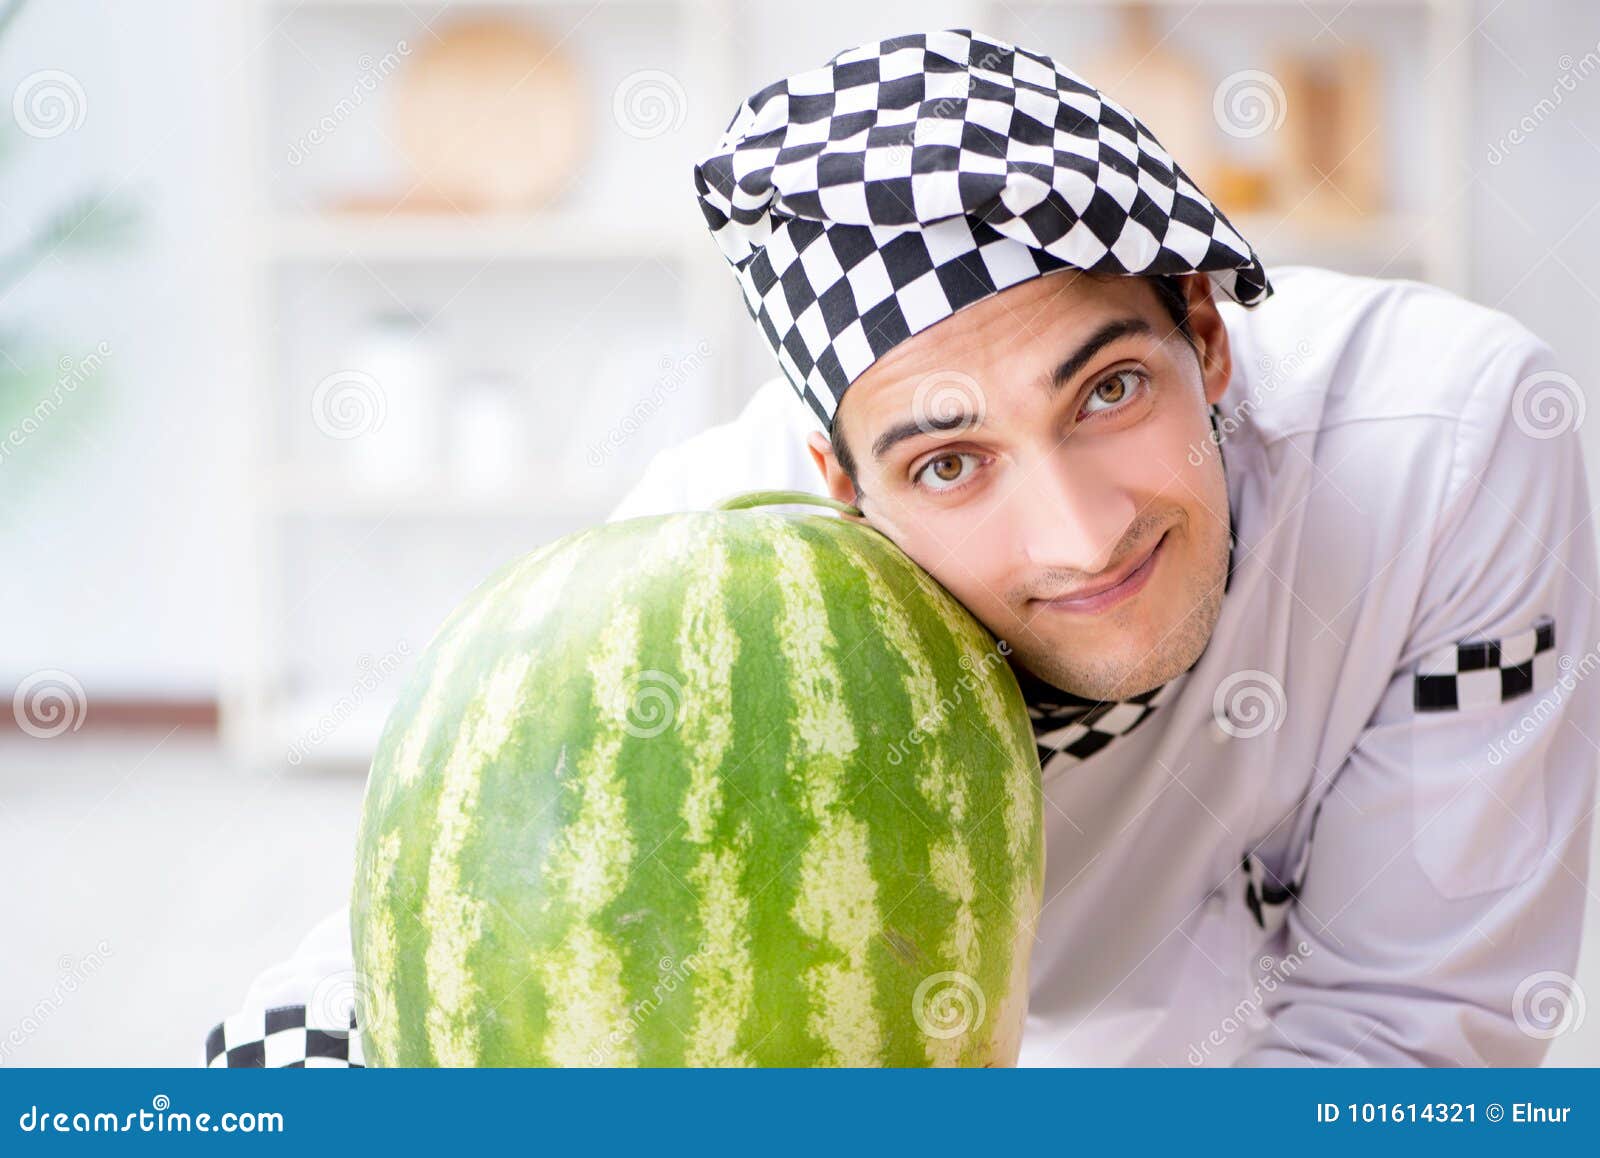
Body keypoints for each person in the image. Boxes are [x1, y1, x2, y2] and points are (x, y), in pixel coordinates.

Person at [206, 28, 1599, 1067]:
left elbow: (1413, 1040)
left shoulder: (1455, 441)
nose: (1082, 531)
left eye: (1107, 389)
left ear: (1207, 327)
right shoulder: (713, 582)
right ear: (841, 482)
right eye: (950, 463)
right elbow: (422, 965)